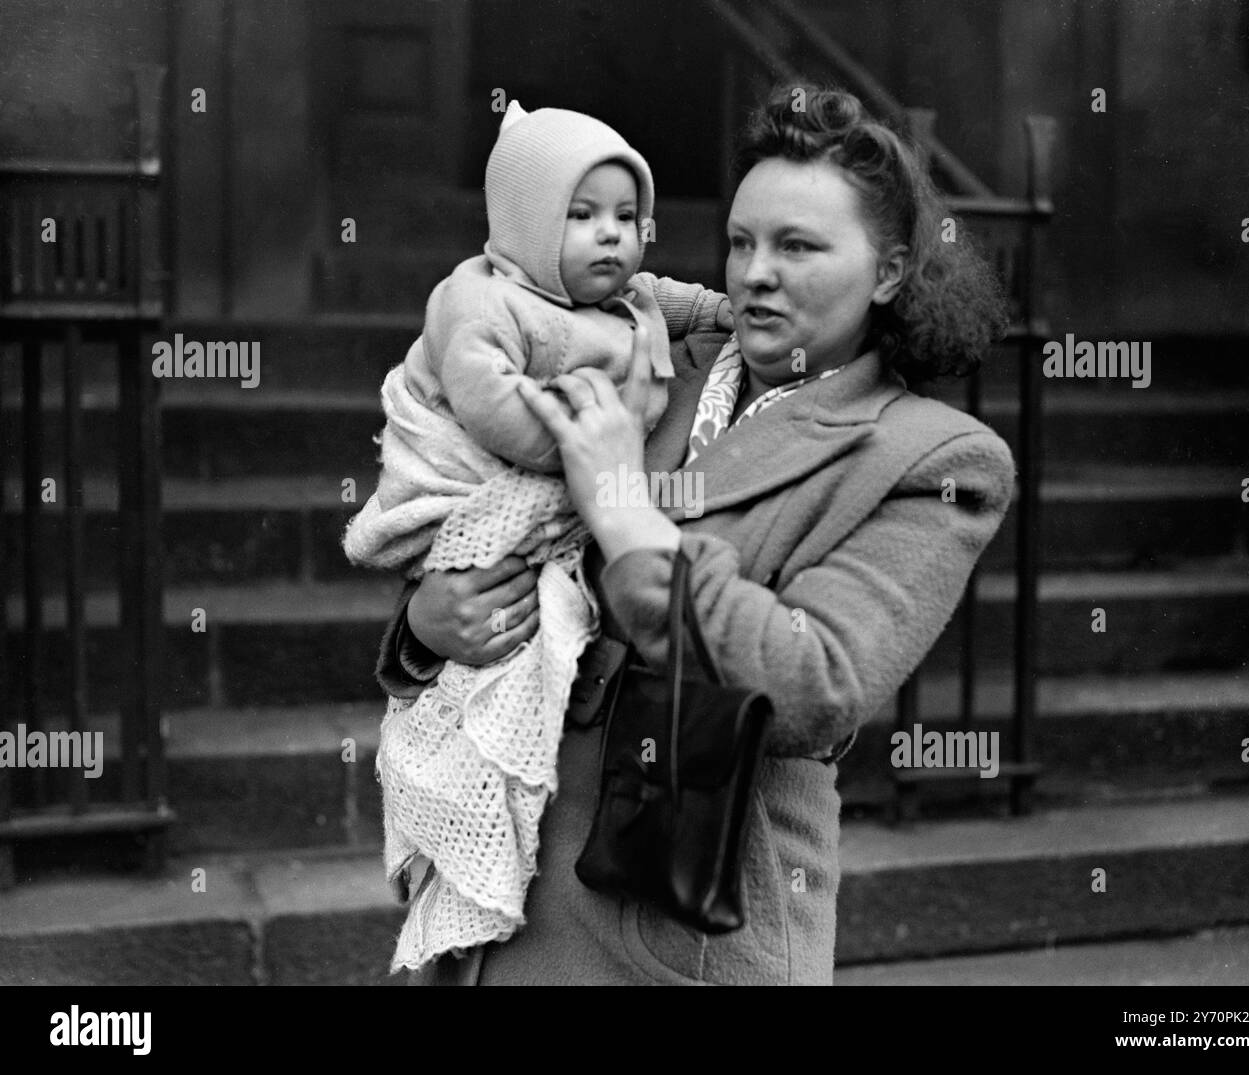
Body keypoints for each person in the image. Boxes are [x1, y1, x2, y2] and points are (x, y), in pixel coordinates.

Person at [375, 85, 1016, 985]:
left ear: (889, 271)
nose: (755, 272)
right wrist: (428, 626)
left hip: (672, 940)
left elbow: (813, 686)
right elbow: (496, 507)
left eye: (797, 246)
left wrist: (626, 512)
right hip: (495, 906)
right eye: (743, 241)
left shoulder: (931, 458)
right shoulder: (640, 357)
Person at [341, 99, 731, 971]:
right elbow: (482, 405)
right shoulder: (483, 300)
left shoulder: (645, 322)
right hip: (477, 500)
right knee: (467, 716)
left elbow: (681, 299)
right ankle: (462, 828)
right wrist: (423, 626)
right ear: (526, 225)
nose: (612, 239)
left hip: (613, 889)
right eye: (582, 217)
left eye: (628, 219)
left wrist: (719, 307)